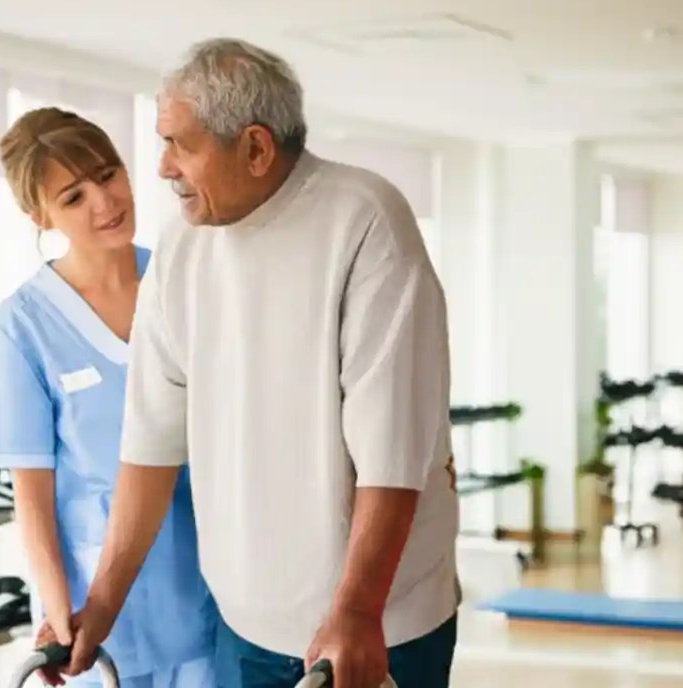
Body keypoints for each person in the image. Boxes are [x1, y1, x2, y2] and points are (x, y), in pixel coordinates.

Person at [61, 38, 461, 688]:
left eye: (180, 145)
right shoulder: (182, 248)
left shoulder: (365, 221)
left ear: (254, 148)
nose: (162, 167)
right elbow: (150, 444)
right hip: (245, 624)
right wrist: (102, 604)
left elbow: (393, 453)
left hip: (375, 627)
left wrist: (357, 611)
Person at [0, 107, 218, 688]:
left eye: (108, 176)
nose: (105, 204)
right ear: (40, 214)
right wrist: (58, 610)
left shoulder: (186, 282)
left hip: (216, 591)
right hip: (105, 612)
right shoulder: (22, 327)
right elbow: (32, 492)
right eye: (74, 196)